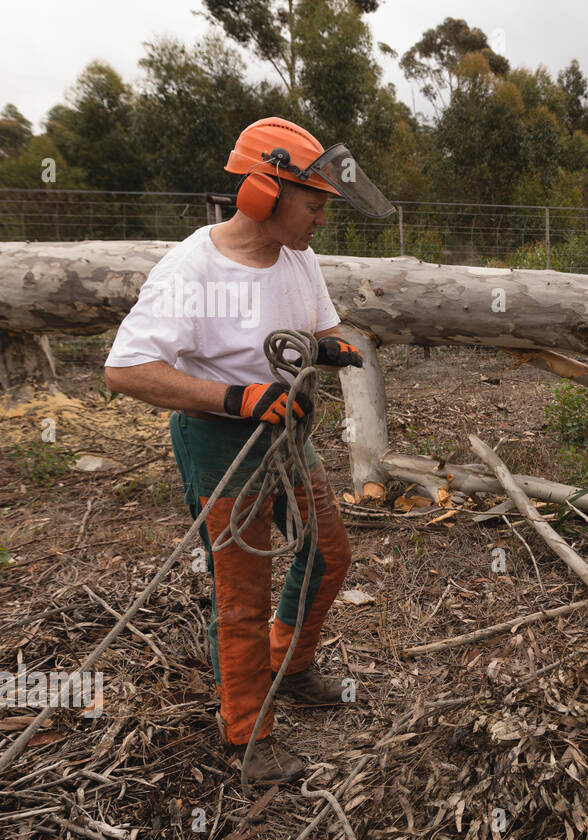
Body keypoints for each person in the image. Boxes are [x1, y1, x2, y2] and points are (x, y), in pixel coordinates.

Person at [104, 117, 394, 784]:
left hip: (285, 431)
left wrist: (331, 346)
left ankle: (289, 667)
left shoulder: (298, 258)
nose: (321, 220)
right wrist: (237, 399)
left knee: (328, 551)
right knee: (241, 596)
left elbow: (316, 328)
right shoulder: (191, 268)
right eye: (315, 205)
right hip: (221, 441)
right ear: (265, 193)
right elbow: (126, 370)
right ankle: (248, 734)